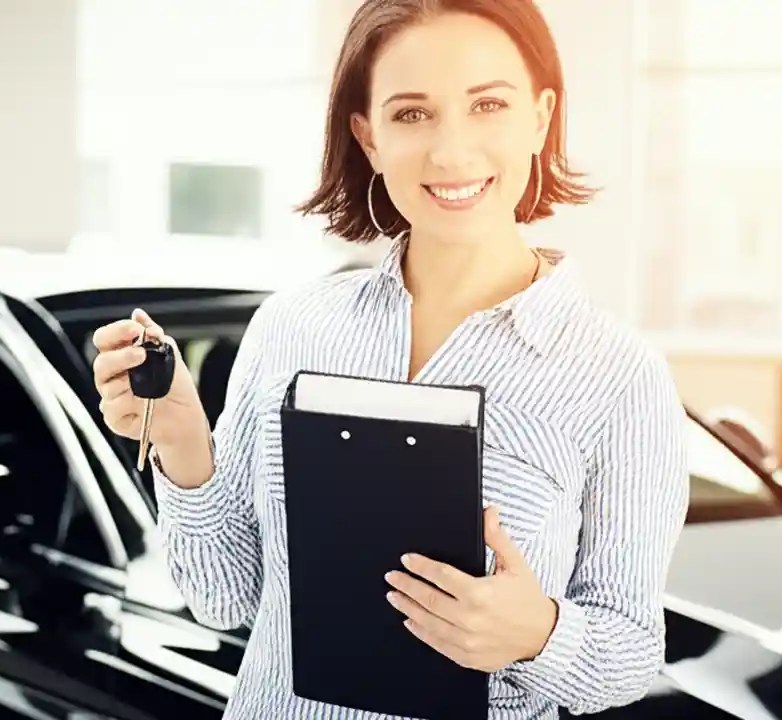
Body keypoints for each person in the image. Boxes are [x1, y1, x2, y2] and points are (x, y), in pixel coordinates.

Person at [90, 1, 689, 717]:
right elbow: (224, 599)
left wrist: (538, 635)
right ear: (368, 137)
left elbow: (627, 656)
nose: (451, 151)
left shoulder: (620, 377)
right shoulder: (292, 327)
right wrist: (183, 441)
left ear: (539, 117)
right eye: (412, 115)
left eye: (488, 105)